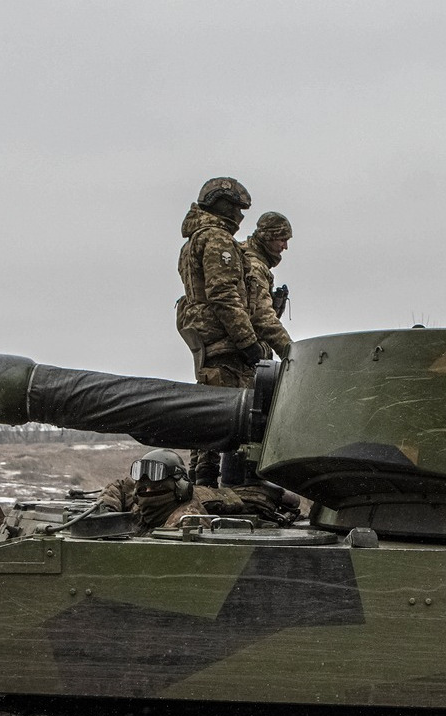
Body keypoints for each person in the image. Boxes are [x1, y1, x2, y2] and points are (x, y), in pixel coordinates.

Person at [177, 177, 264, 484]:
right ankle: (218, 487)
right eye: (238, 209)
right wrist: (249, 342)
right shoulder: (217, 239)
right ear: (223, 206)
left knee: (207, 410)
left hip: (208, 337)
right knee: (231, 415)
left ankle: (202, 479)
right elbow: (223, 294)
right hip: (224, 340)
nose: (241, 217)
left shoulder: (193, 241)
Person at [95, 449, 298, 533]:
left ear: (179, 488)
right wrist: (106, 509)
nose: (146, 490)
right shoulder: (143, 497)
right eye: (143, 485)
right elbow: (121, 486)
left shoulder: (187, 521)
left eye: (155, 486)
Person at [242, 211, 293, 360]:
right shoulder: (255, 266)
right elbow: (263, 317)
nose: (285, 246)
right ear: (268, 237)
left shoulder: (246, 255)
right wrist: (291, 354)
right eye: (282, 240)